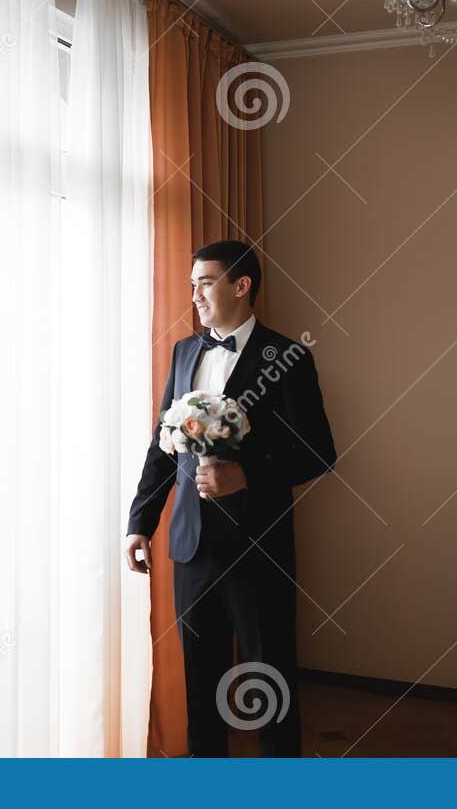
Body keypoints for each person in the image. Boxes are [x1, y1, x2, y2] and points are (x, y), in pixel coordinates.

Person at [124, 240, 337, 757]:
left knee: (270, 680)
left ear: (241, 285)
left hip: (259, 549)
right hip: (192, 545)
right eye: (192, 282)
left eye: (205, 282)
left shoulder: (285, 356)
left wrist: (247, 477)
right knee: (201, 683)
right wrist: (139, 523)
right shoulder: (184, 352)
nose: (194, 294)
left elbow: (319, 453)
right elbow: (162, 445)